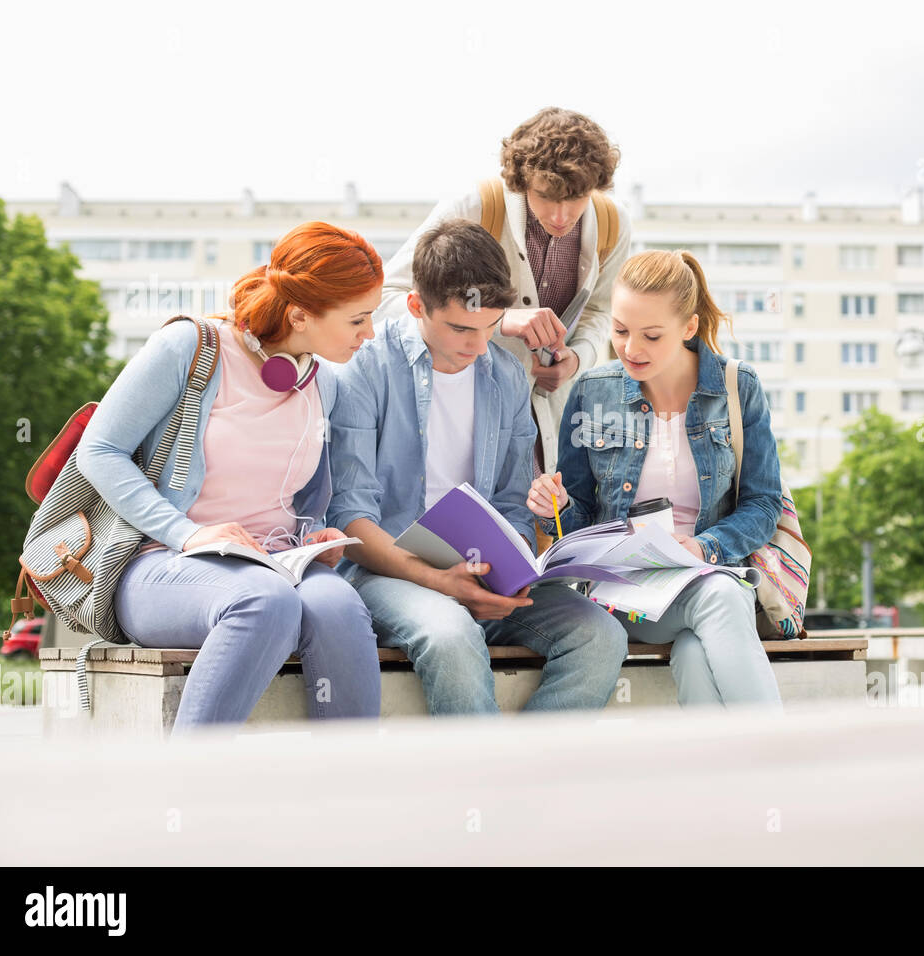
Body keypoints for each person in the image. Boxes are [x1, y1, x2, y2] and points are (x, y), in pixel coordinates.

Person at [76, 221, 385, 734]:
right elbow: (100, 451)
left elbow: (295, 495)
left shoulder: (323, 382)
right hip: (162, 563)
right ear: (300, 315)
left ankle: (345, 797)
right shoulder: (190, 348)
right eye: (358, 319)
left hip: (278, 562)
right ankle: (192, 790)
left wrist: (315, 540)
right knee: (262, 602)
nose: (368, 333)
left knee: (339, 609)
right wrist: (188, 533)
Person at [327, 218, 628, 716]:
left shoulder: (506, 376)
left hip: (478, 574)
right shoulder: (365, 369)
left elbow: (510, 502)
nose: (479, 345)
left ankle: (523, 782)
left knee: (599, 635)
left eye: (491, 327)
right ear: (416, 305)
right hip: (385, 574)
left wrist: (506, 567)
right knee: (451, 634)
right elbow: (350, 518)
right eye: (462, 328)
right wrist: (443, 582)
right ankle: (482, 789)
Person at [526, 250, 783, 709]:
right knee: (721, 599)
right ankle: (782, 762)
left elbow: (763, 504)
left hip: (706, 573)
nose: (631, 349)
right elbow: (581, 517)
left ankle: (716, 775)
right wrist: (558, 507)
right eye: (621, 330)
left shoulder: (737, 387)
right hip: (623, 593)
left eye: (651, 335)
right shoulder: (591, 391)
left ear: (688, 327)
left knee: (695, 645)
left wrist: (705, 548)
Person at [375, 107, 631, 476]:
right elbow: (388, 298)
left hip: (549, 420)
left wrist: (577, 359)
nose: (561, 216)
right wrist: (497, 318)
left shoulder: (613, 222)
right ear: (522, 181)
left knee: (540, 526)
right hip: (458, 413)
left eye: (576, 197)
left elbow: (600, 313)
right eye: (545, 196)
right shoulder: (474, 207)